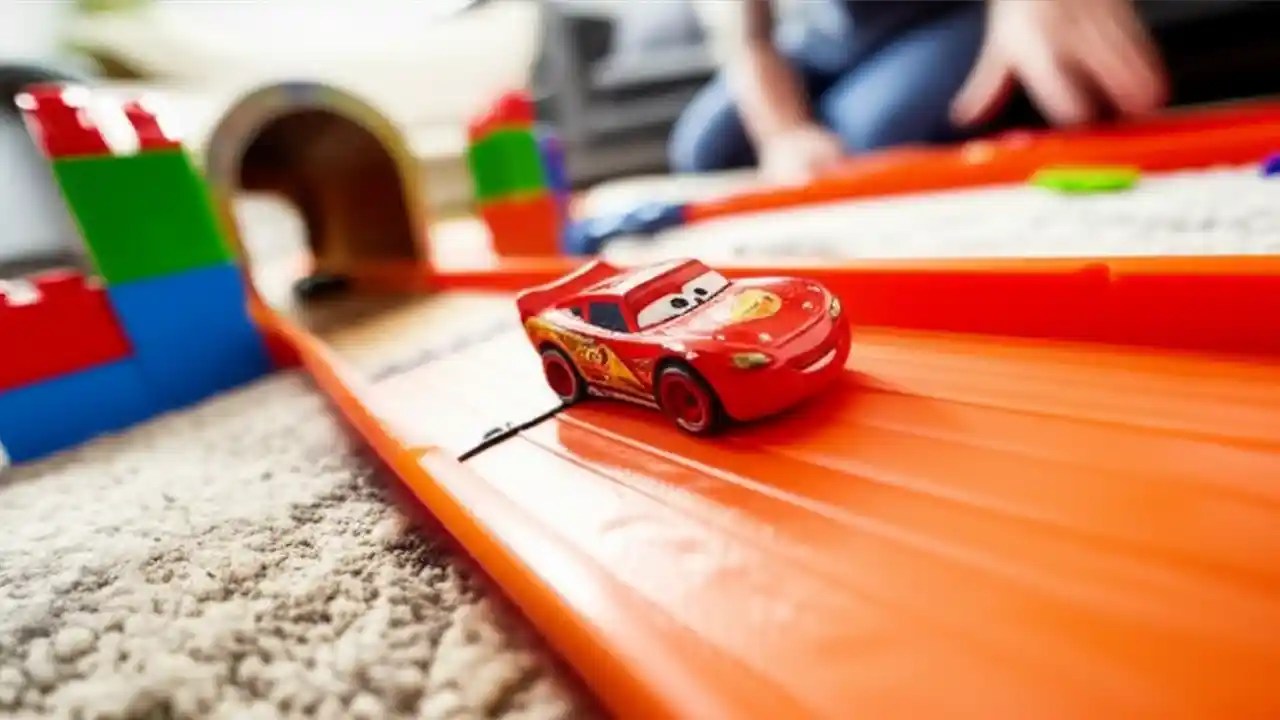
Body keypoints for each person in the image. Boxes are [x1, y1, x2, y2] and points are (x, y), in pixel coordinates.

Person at [669, 0, 1173, 184]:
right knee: (705, 147)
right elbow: (750, 37)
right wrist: (787, 132)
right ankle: (840, 103)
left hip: (945, 14)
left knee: (874, 135)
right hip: (828, 40)